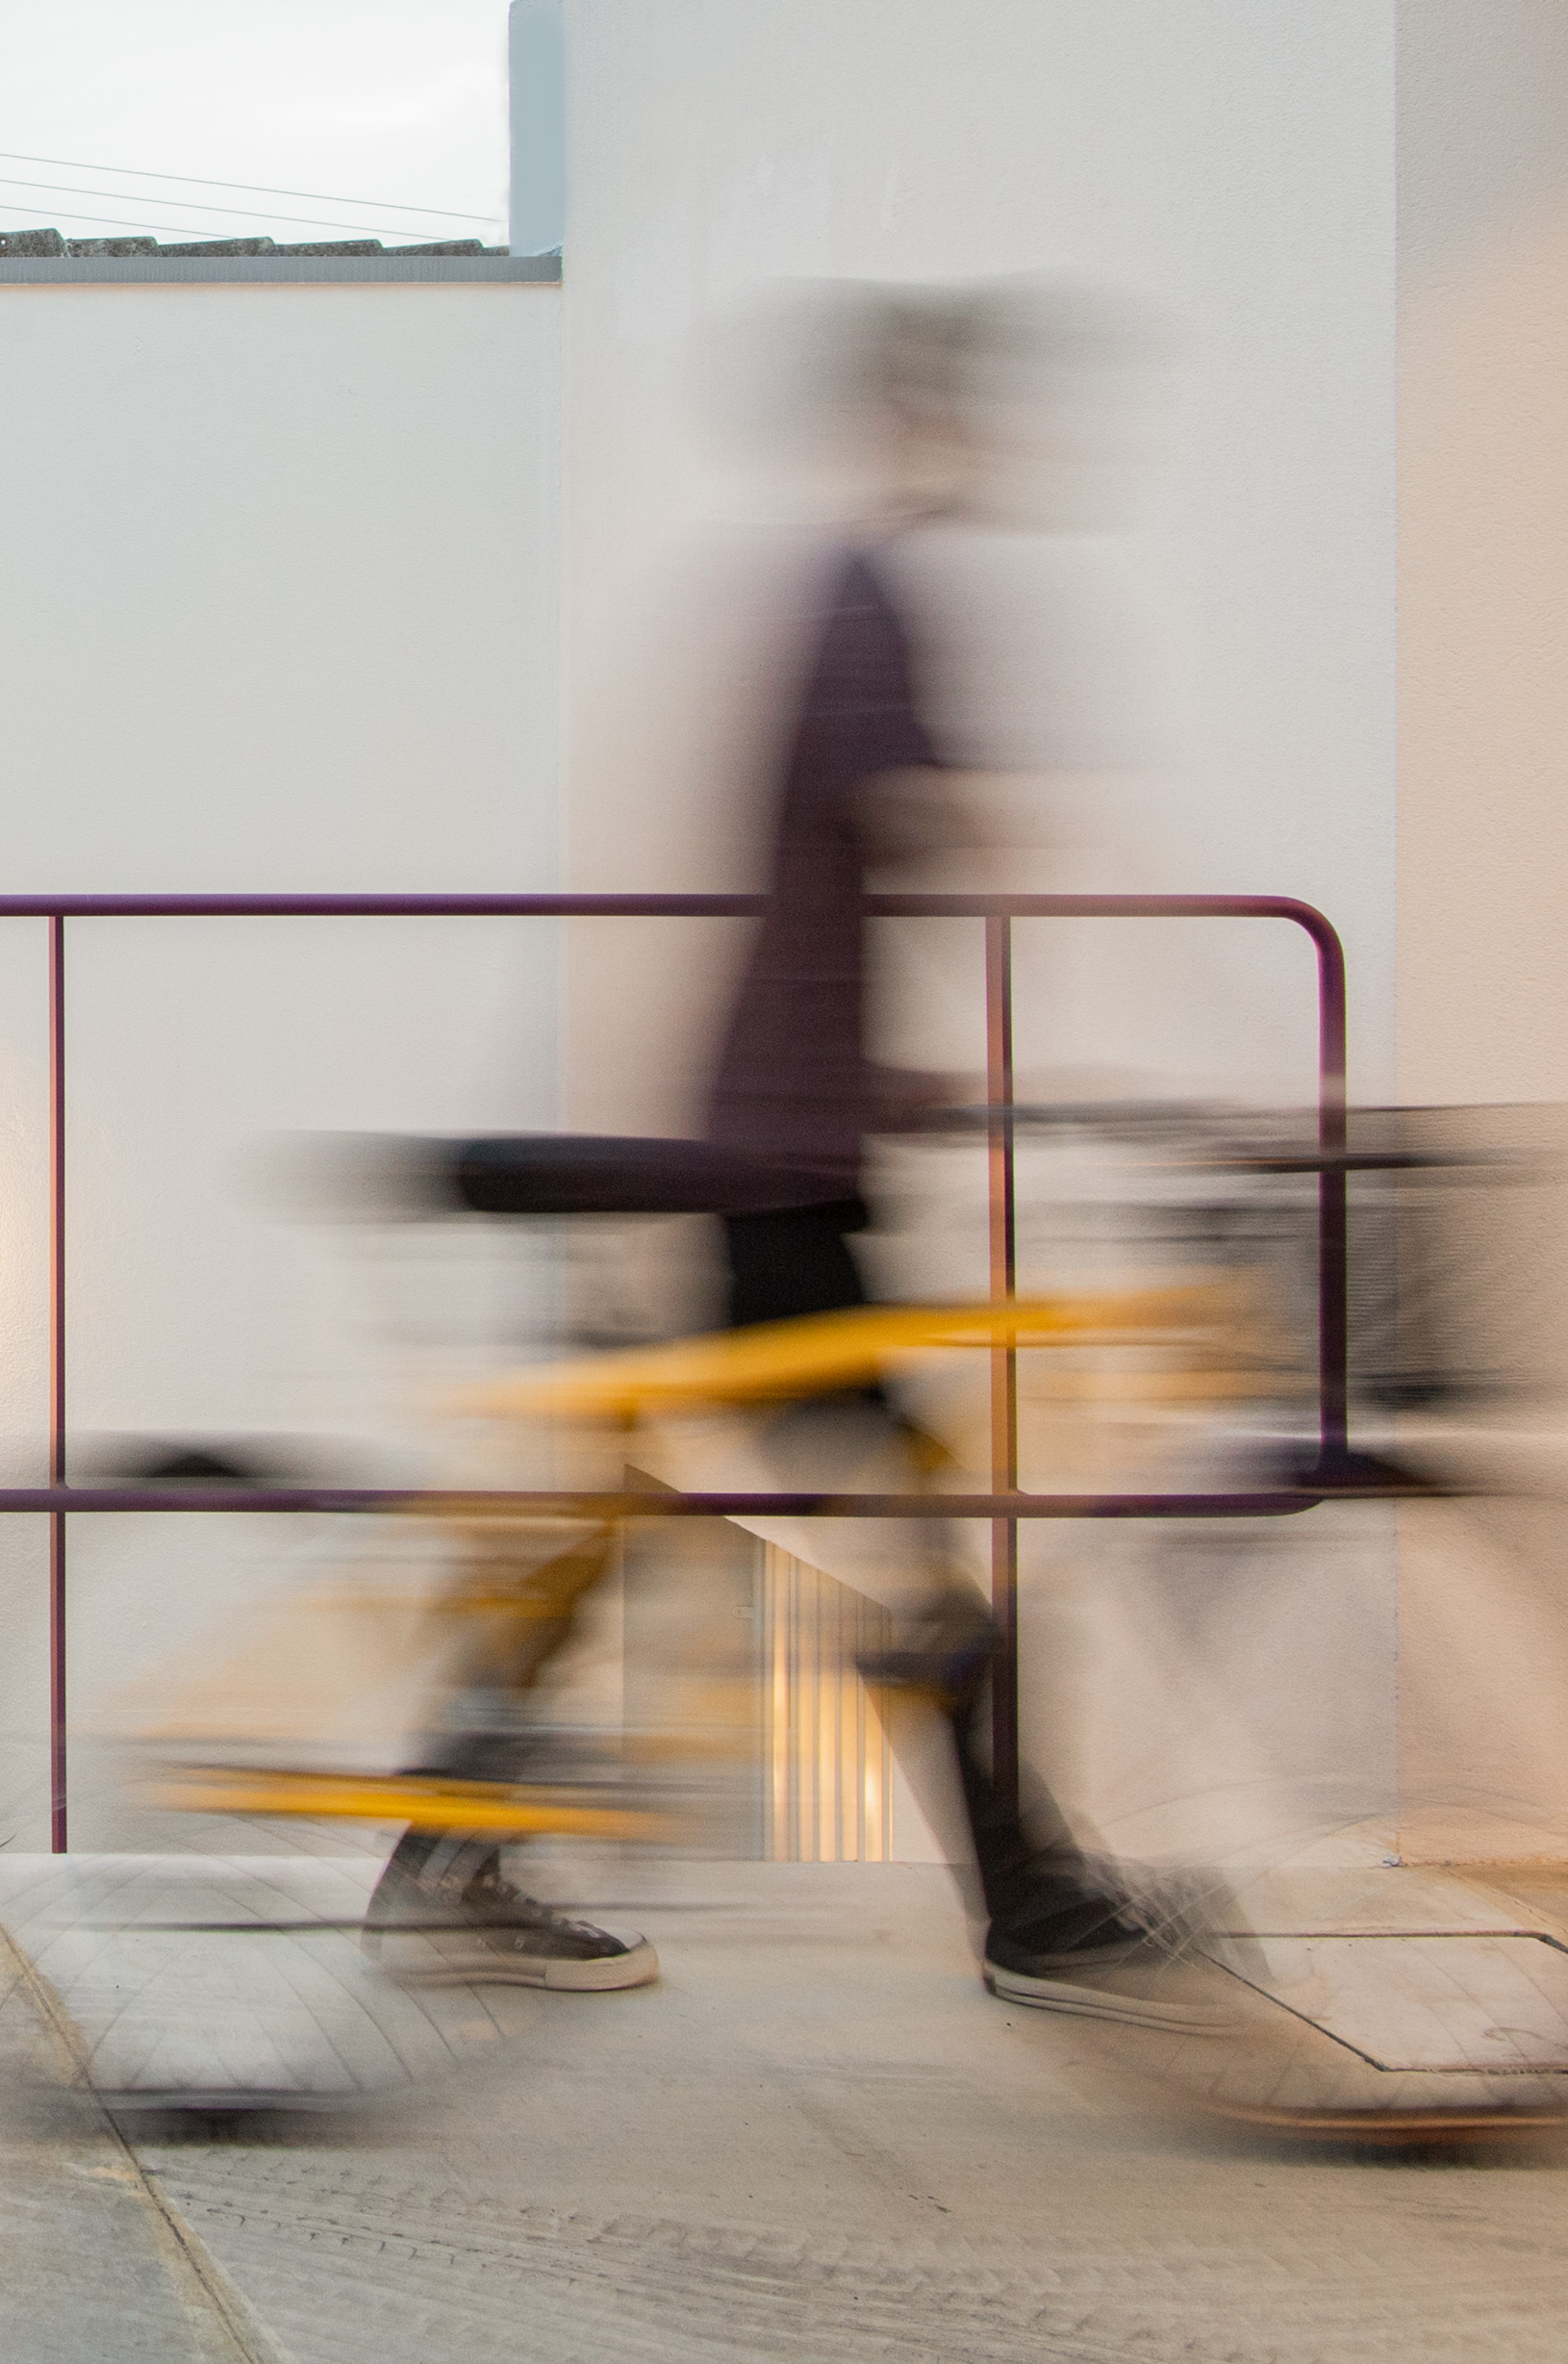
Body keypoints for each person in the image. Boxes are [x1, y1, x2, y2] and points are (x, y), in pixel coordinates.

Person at [369, 291, 1212, 2024]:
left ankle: (441, 1858)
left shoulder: (836, 600)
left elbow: (821, 912)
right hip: (772, 1182)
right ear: (925, 425)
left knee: (639, 1510)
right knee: (897, 1548)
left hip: (753, 1154)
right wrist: (1145, 1009)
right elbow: (934, 829)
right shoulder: (869, 606)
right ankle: (1035, 1898)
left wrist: (938, 1074)